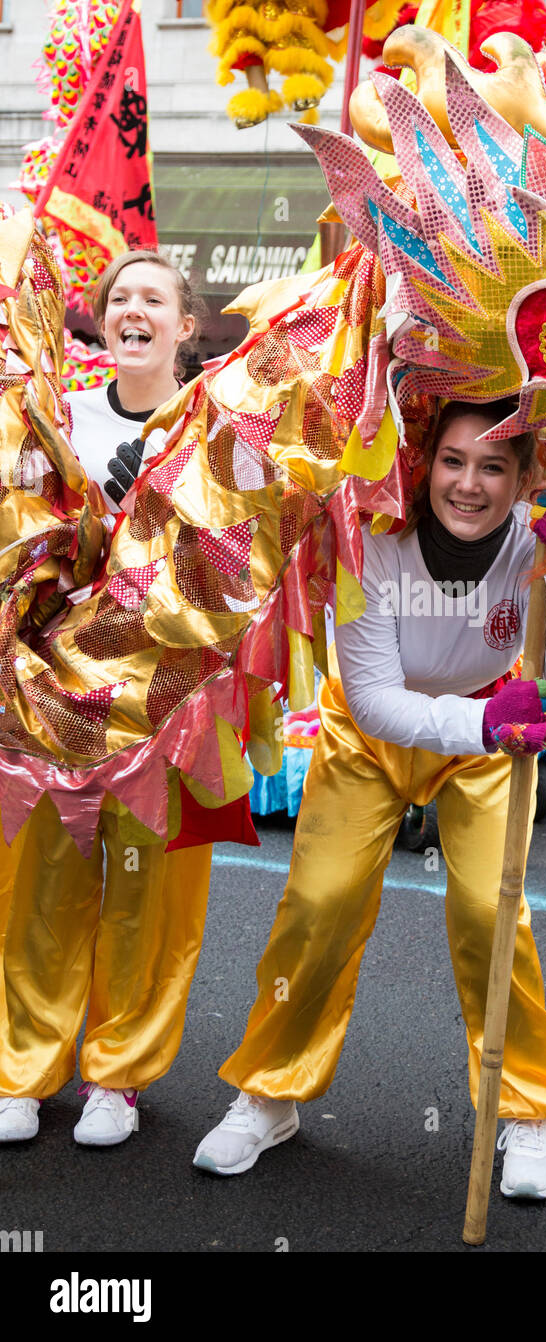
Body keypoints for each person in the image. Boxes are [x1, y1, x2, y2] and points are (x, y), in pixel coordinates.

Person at [193, 400, 546, 1197]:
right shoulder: (374, 536)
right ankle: (269, 1093)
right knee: (321, 903)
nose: (469, 484)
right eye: (453, 460)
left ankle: (524, 1106)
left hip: (489, 744)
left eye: (492, 466)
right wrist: (482, 720)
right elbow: (377, 698)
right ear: (426, 464)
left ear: (522, 479)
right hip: (377, 735)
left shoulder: (539, 545)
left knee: (491, 910)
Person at [0, 251, 219, 1148]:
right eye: (120, 297)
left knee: (146, 891)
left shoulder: (215, 426)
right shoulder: (54, 421)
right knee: (39, 887)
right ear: (101, 321)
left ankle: (117, 1075)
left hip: (170, 699)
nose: (134, 309)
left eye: (154, 298)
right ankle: (23, 1068)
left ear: (184, 325)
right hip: (57, 702)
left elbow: (236, 563)